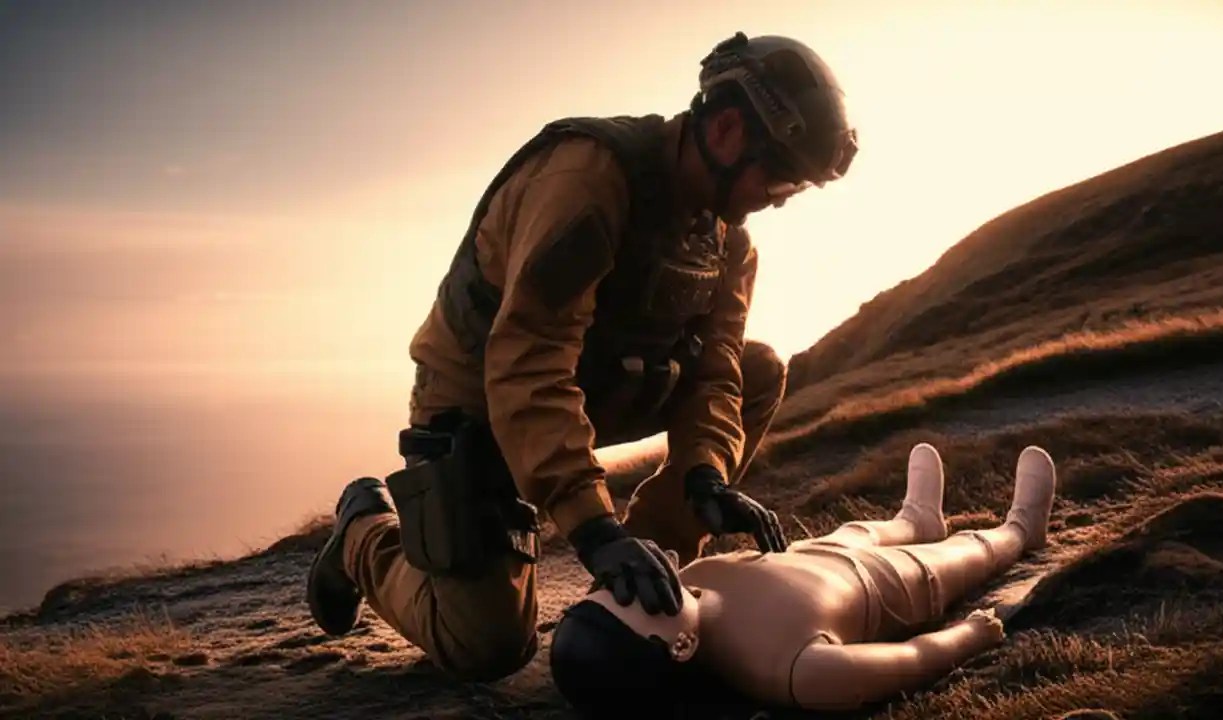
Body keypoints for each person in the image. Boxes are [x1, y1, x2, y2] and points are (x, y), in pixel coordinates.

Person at [304, 31, 860, 682]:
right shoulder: (588, 182)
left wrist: (705, 477)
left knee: (756, 372)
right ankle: (365, 531)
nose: (782, 197)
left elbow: (718, 371)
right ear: (731, 129)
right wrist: (593, 529)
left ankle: (656, 564)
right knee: (486, 645)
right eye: (782, 175)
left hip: (589, 386)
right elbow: (528, 361)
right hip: (478, 401)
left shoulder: (728, 243)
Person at [549, 444, 1058, 715]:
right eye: (637, 597)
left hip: (826, 551)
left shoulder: (691, 583)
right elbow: (909, 660)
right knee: (966, 552)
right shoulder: (790, 669)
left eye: (607, 584)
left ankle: (915, 518)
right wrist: (969, 635)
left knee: (860, 530)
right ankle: (1019, 529)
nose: (635, 576)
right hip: (894, 585)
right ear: (680, 647)